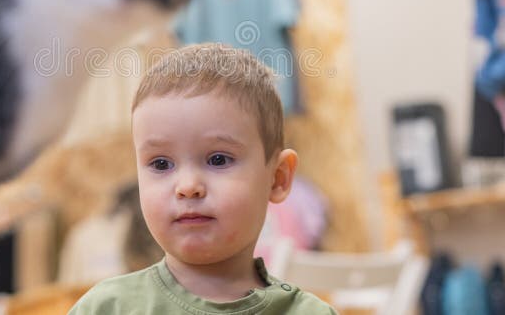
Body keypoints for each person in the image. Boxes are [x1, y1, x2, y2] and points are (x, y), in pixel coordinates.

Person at [68, 43, 337, 314]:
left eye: (218, 159)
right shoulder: (106, 308)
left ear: (278, 178)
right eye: (161, 164)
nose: (187, 187)